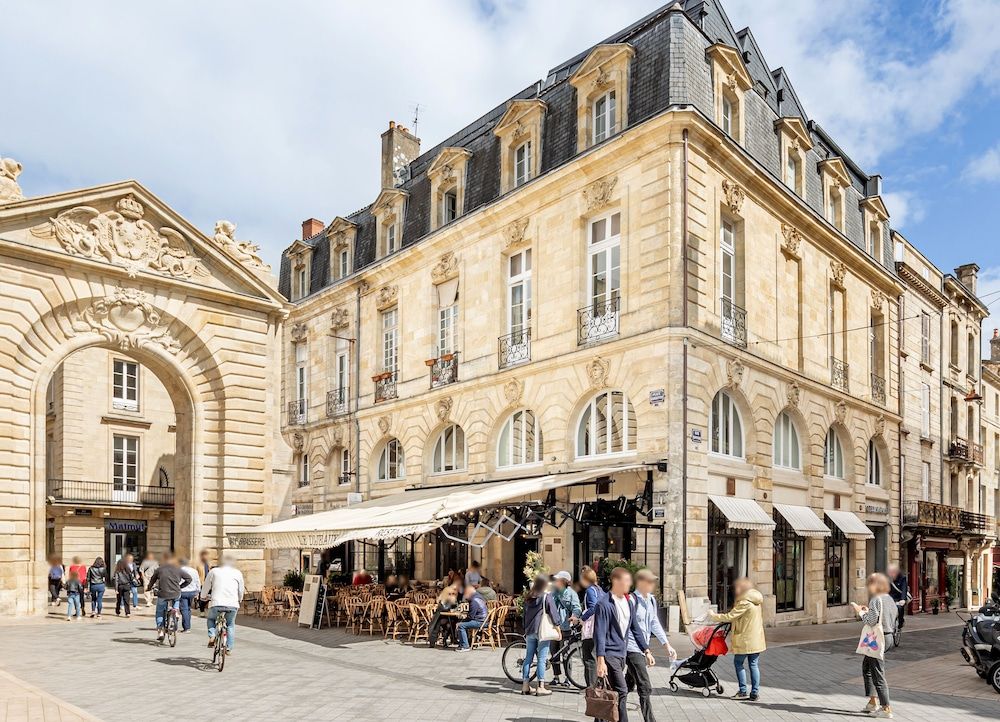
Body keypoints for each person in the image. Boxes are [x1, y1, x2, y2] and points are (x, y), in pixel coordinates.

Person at [594, 567, 650, 722]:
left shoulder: (628, 602)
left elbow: (635, 627)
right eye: (626, 580)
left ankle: (600, 719)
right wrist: (600, 660)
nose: (629, 584)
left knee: (610, 691)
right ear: (616, 581)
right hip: (609, 654)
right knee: (622, 690)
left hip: (621, 654)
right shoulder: (604, 604)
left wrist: (646, 649)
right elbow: (599, 634)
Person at [626, 569, 676, 722]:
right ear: (641, 583)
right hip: (631, 647)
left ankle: (605, 712)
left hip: (643, 648)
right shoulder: (631, 600)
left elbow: (654, 622)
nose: (653, 584)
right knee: (645, 686)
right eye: (650, 581)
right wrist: (646, 651)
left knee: (627, 684)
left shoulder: (651, 600)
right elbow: (629, 627)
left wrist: (667, 645)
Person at [709, 576, 765, 701]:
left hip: (746, 640)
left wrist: (714, 616)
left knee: (738, 663)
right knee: (753, 664)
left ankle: (742, 691)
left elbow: (730, 616)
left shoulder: (745, 602)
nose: (736, 590)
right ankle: (755, 693)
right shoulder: (756, 600)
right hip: (756, 639)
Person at [851, 573, 897, 719]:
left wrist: (860, 612)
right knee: (867, 667)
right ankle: (872, 702)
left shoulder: (876, 599)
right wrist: (868, 611)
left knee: (877, 672)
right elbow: (890, 616)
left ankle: (886, 708)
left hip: (878, 640)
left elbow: (871, 621)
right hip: (888, 637)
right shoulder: (889, 599)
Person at [521, 574, 562, 696]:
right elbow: (554, 614)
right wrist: (558, 630)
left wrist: (526, 628)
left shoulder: (528, 597)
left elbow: (524, 616)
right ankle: (540, 686)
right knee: (541, 658)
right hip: (542, 631)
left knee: (528, 658)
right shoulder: (546, 597)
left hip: (530, 631)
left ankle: (525, 686)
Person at [200, 554, 245, 654]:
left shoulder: (214, 571)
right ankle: (228, 648)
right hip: (233, 604)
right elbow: (241, 589)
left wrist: (203, 597)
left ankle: (212, 636)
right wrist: (239, 599)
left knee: (211, 619)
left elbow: (206, 586)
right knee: (230, 625)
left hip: (216, 602)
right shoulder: (237, 573)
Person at [146, 552, 192, 642]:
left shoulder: (160, 569)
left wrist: (148, 588)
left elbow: (152, 580)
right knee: (176, 601)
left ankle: (160, 631)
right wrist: (181, 586)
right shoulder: (178, 569)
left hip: (163, 593)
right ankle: (176, 611)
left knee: (159, 611)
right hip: (176, 593)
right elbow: (189, 579)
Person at [549, 570, 582, 688]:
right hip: (554, 626)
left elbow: (577, 608)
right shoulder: (553, 592)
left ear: (564, 581)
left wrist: (574, 616)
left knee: (566, 654)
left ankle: (568, 678)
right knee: (554, 652)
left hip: (566, 627)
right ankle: (556, 676)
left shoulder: (571, 594)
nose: (555, 581)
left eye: (558, 580)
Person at [579, 565, 606, 687]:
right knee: (595, 656)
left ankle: (591, 687)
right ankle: (598, 684)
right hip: (601, 627)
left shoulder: (590, 590)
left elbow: (593, 607)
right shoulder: (600, 590)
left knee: (589, 658)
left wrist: (582, 618)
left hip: (591, 628)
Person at [456, 584, 488, 651]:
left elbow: (471, 616)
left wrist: (463, 619)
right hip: (483, 620)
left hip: (480, 621)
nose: (465, 597)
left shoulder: (474, 601)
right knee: (462, 623)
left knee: (461, 626)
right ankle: (466, 643)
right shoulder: (479, 597)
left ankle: (465, 646)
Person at [178, 557, 201, 632]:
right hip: (192, 591)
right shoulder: (194, 571)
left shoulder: (179, 570)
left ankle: (186, 627)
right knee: (188, 609)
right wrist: (198, 591)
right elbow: (198, 581)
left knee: (184, 609)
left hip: (183, 591)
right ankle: (188, 625)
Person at [887, 563, 908, 630]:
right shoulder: (887, 578)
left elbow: (904, 589)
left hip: (898, 598)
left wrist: (903, 599)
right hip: (889, 598)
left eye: (893, 572)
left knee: (899, 608)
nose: (891, 574)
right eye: (890, 572)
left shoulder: (902, 578)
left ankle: (901, 621)